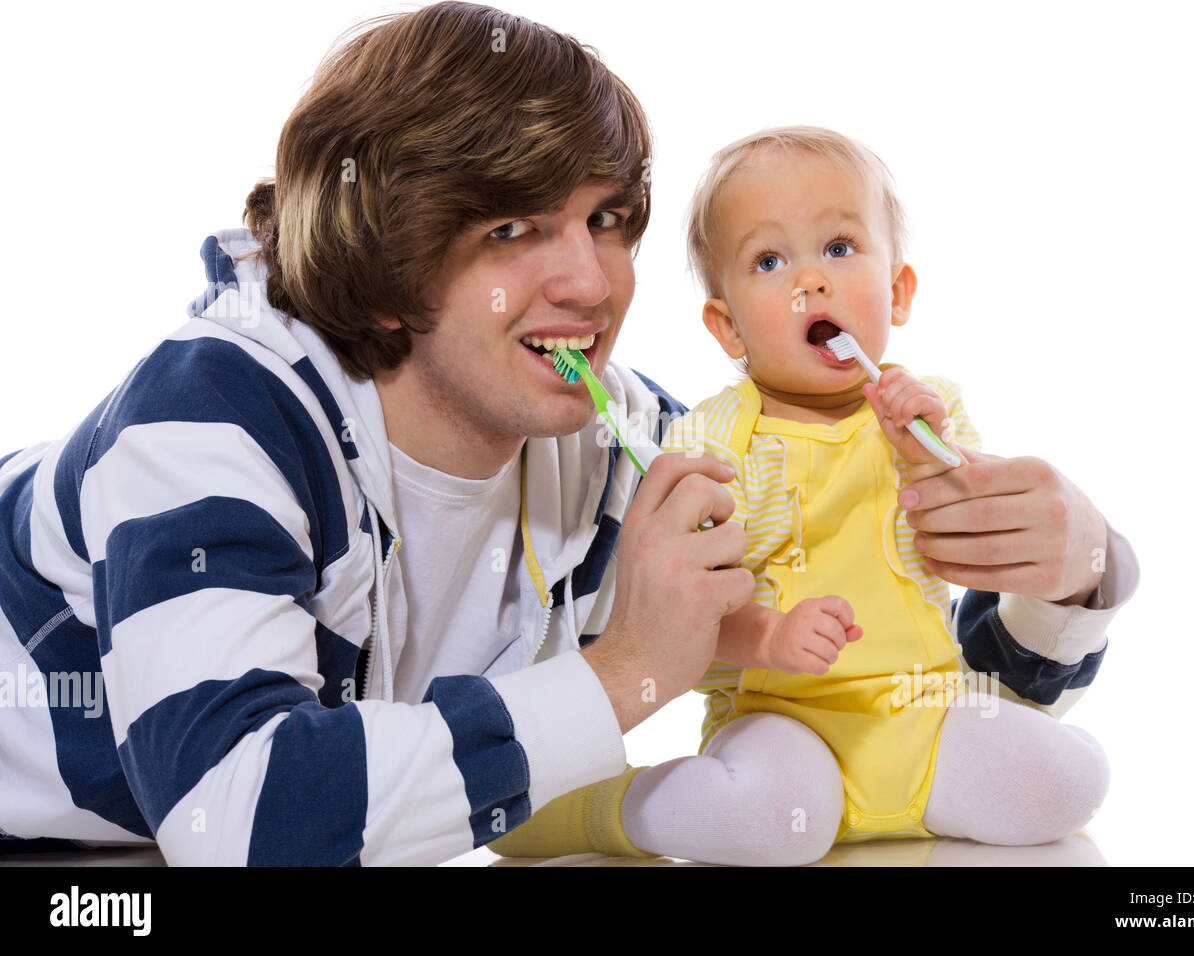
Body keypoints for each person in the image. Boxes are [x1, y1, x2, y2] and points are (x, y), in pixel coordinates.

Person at [0, 4, 1133, 866]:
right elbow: (237, 815)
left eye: (605, 219)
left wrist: (1070, 572)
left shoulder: (618, 438)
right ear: (385, 260)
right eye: (512, 228)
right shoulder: (211, 422)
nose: (592, 281)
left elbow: (920, 712)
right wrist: (627, 672)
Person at [487, 127, 1139, 866]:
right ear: (728, 327)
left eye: (838, 248)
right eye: (769, 261)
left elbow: (965, 558)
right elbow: (682, 622)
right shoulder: (710, 444)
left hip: (925, 715)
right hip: (786, 722)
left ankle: (1009, 759)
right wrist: (768, 640)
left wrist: (931, 460)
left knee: (1064, 787)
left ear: (897, 292)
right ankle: (595, 811)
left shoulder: (932, 411)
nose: (810, 281)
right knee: (766, 822)